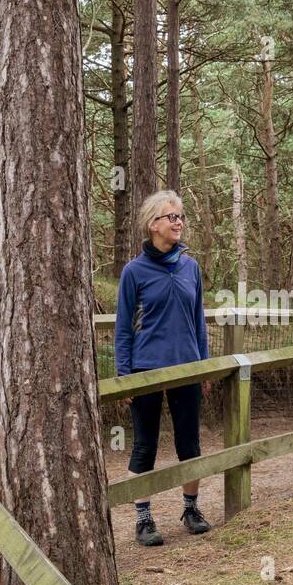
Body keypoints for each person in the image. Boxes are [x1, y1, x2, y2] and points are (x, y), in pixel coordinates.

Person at [115, 190, 212, 546]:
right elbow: (124, 328)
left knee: (190, 443)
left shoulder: (191, 268)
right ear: (153, 224)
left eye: (180, 216)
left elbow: (198, 320)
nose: (178, 222)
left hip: (187, 366)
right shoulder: (134, 272)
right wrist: (124, 376)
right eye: (171, 217)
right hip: (146, 369)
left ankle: (191, 509)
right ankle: (143, 519)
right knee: (145, 446)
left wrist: (203, 365)